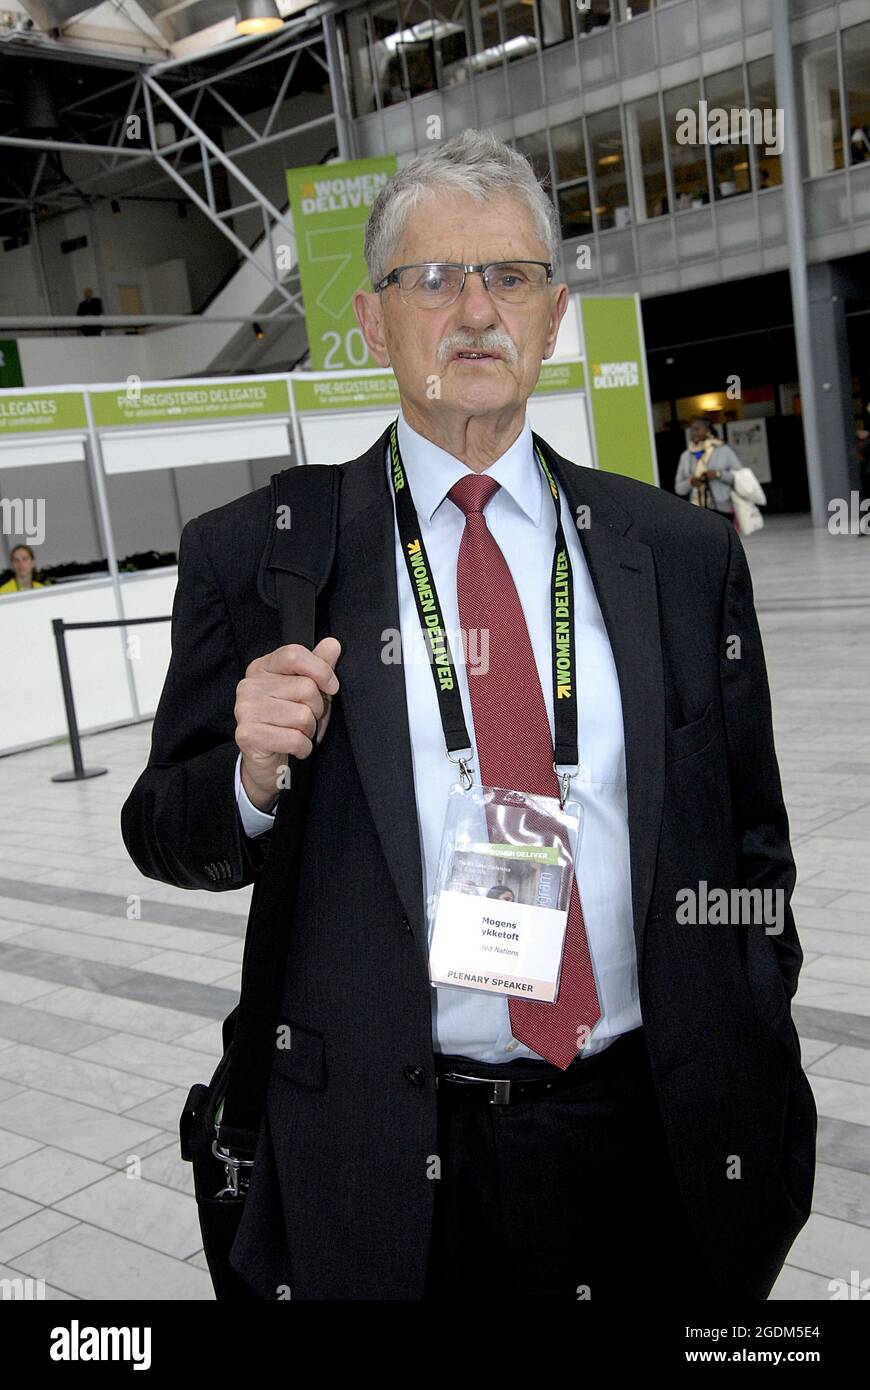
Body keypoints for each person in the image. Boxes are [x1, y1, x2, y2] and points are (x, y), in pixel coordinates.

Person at [121, 129, 816, 1303]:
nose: (477, 310)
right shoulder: (263, 559)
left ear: (553, 318)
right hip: (392, 1156)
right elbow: (163, 830)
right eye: (434, 278)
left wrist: (750, 1010)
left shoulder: (679, 555)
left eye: (512, 275)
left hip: (647, 1129)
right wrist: (246, 774)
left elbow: (754, 842)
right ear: (372, 322)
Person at [675, 415, 742, 522]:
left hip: (723, 508)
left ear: (708, 431)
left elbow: (740, 478)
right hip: (697, 510)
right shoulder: (686, 456)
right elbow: (678, 488)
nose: (693, 432)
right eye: (692, 429)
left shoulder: (724, 451)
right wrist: (691, 482)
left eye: (697, 429)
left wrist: (718, 474)